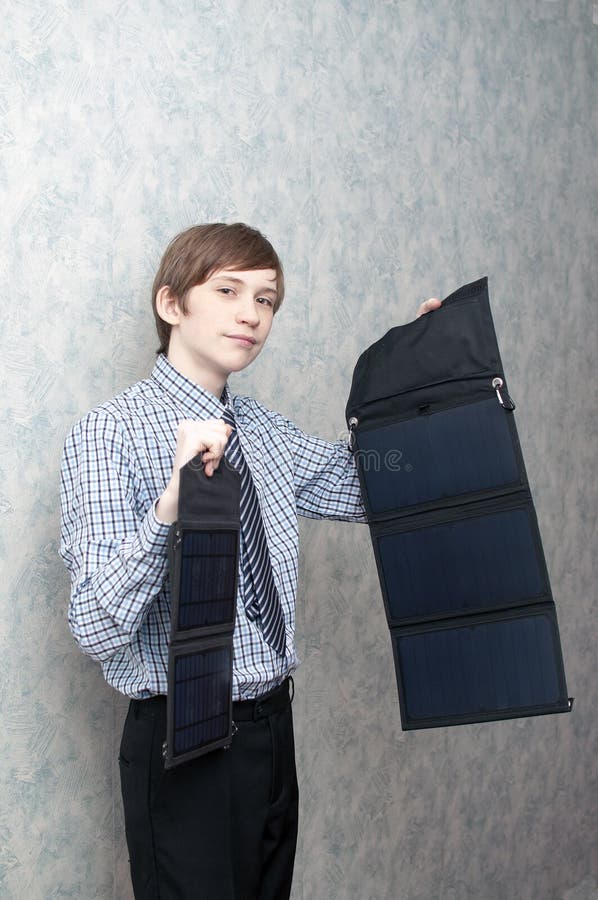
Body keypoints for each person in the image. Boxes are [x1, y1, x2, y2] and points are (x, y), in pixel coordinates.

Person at [59, 222, 441, 900]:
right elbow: (94, 626)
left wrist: (424, 381)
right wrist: (168, 511)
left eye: (266, 300)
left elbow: (378, 483)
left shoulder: (267, 432)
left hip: (270, 730)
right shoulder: (109, 432)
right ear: (171, 304)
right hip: (185, 743)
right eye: (229, 290)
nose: (251, 314)